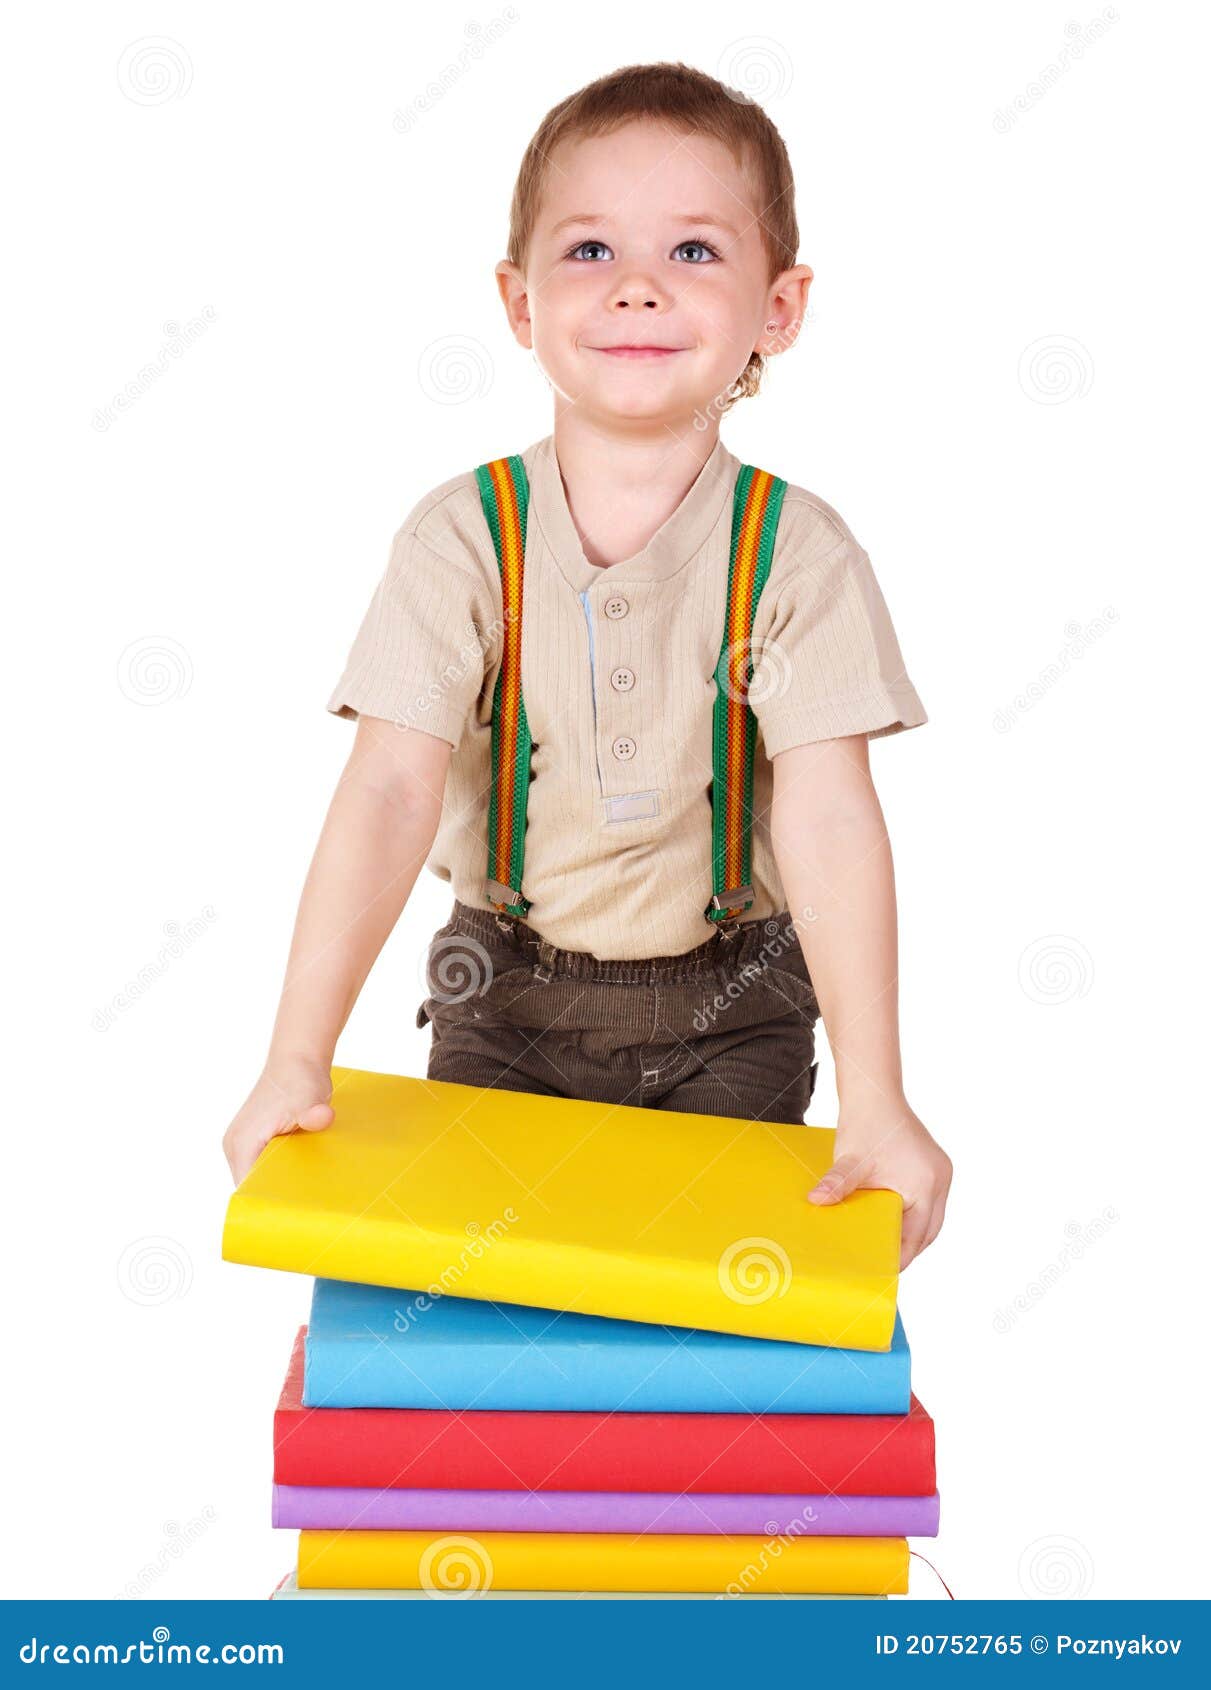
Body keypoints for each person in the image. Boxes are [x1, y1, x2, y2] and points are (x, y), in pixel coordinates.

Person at [222, 60, 952, 1269]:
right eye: (590, 253)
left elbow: (829, 817)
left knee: (707, 1318)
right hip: (503, 1000)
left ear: (779, 307)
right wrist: (295, 1053)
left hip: (735, 1014)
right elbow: (389, 791)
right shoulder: (458, 539)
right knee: (490, 1314)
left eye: (696, 253)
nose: (638, 291)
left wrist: (876, 1100)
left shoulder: (798, 555)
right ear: (517, 302)